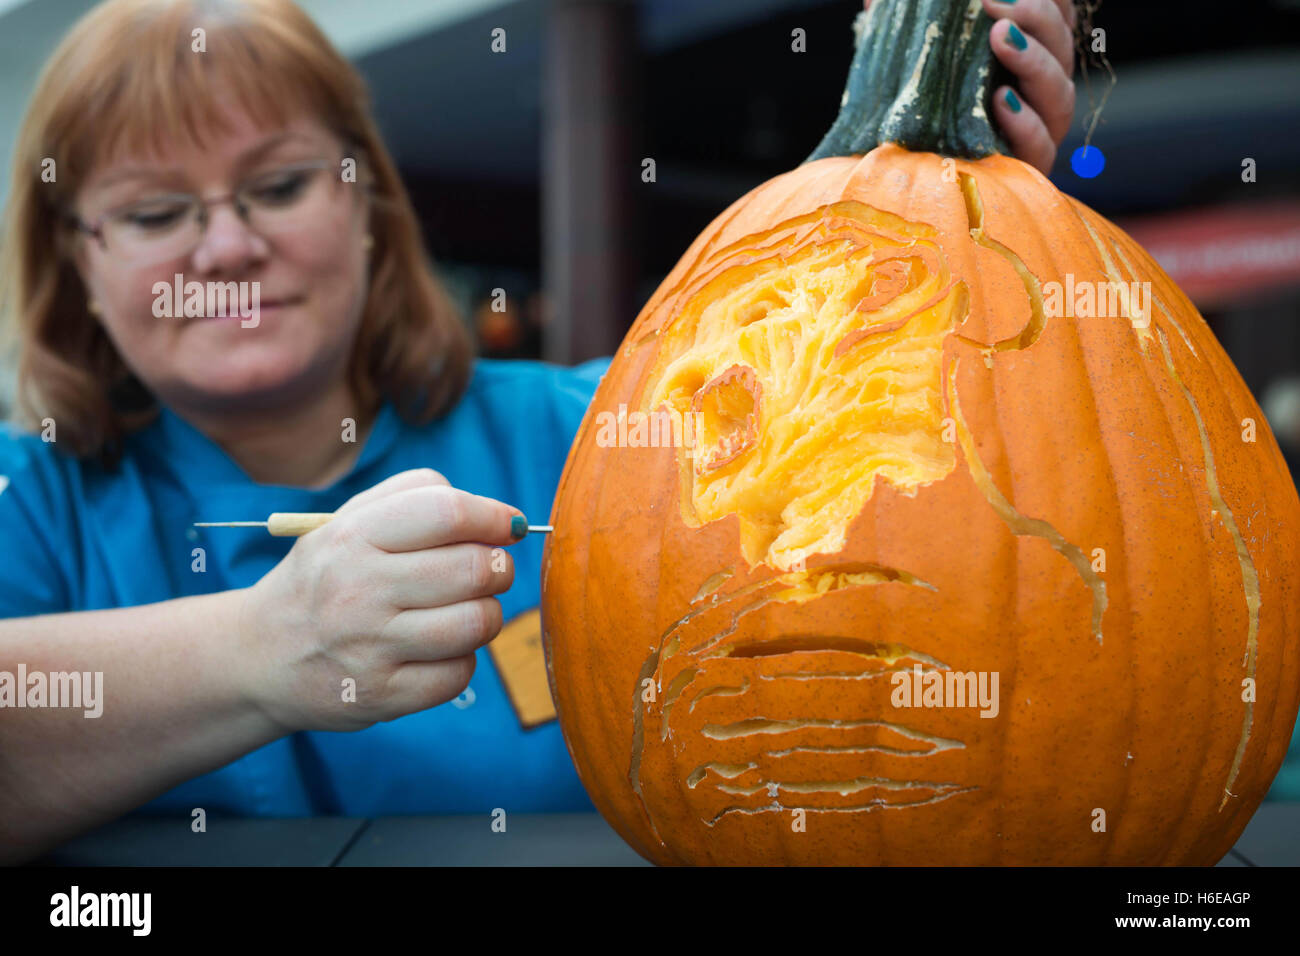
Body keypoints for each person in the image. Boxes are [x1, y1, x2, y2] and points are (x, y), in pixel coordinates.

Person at [0, 0, 1079, 864]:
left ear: (368, 205)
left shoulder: (603, 429)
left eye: (279, 186)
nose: (228, 246)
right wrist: (262, 648)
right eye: (154, 212)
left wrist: (955, 179)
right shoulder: (31, 500)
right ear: (76, 261)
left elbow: (885, 425)